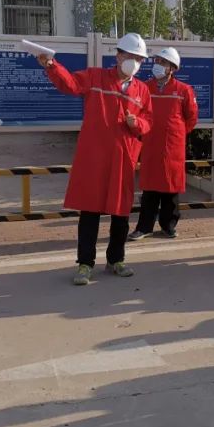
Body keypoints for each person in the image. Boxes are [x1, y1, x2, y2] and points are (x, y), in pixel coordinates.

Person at [38, 32, 152, 285]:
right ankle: (85, 264)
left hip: (123, 159)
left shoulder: (142, 90)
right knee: (90, 212)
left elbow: (148, 123)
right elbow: (69, 83)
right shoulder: (96, 77)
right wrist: (51, 65)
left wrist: (138, 124)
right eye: (129, 56)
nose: (133, 62)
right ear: (118, 55)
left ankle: (116, 259)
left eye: (138, 59)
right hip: (95, 158)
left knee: (120, 213)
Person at [130, 47, 198, 241]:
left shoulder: (183, 90)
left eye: (162, 62)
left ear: (172, 68)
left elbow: (191, 117)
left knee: (170, 190)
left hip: (172, 147)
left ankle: (169, 226)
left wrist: (177, 134)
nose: (157, 65)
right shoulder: (145, 88)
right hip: (150, 144)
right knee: (149, 189)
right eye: (157, 61)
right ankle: (144, 227)